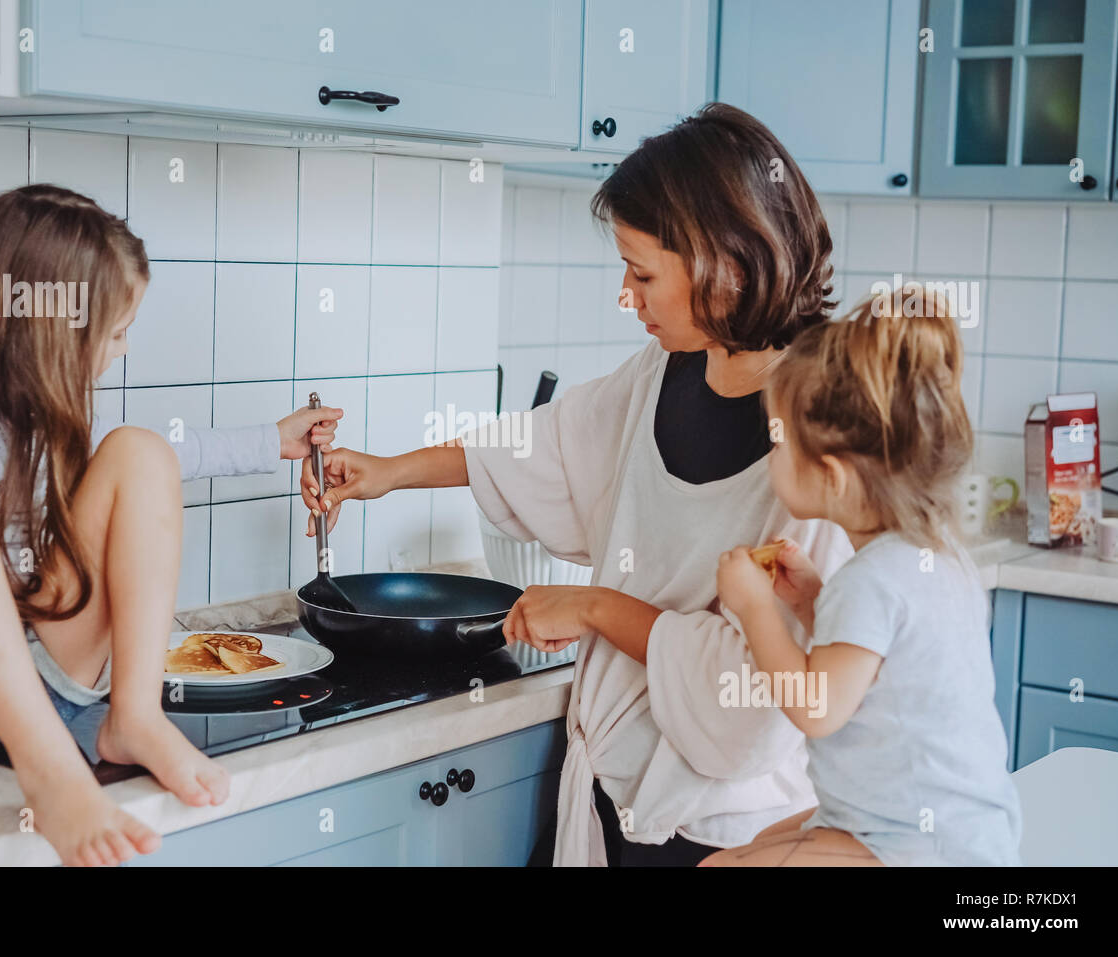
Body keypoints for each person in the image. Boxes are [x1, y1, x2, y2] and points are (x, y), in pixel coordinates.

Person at [301, 104, 854, 866]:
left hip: (724, 830)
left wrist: (593, 605)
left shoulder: (827, 439)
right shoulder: (664, 374)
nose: (628, 296)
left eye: (644, 273)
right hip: (611, 792)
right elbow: (537, 444)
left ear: (725, 260)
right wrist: (391, 473)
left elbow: (748, 698)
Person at [0, 184, 342, 866]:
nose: (122, 350)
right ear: (50, 331)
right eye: (117, 332)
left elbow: (181, 454)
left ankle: (134, 716)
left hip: (46, 673)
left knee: (142, 450)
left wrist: (273, 440)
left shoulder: (67, 422)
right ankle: (51, 773)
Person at [707, 293, 1021, 866]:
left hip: (911, 846)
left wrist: (753, 607)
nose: (769, 453)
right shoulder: (936, 555)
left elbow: (817, 709)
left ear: (832, 476)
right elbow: (879, 664)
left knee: (716, 866)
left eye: (778, 441)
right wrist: (811, 604)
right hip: (946, 828)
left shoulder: (871, 580)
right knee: (752, 846)